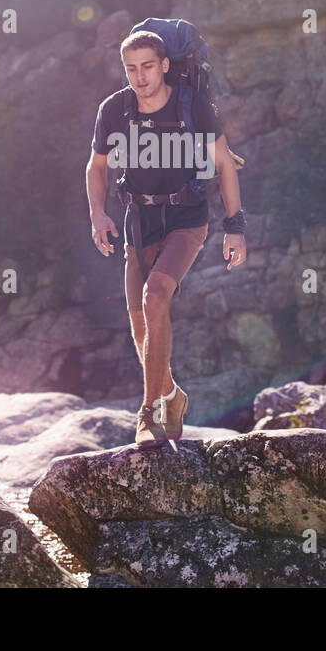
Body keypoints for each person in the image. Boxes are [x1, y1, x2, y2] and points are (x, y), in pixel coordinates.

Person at [85, 29, 247, 449]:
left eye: (147, 67)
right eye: (131, 69)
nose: (139, 77)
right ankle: (172, 397)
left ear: (165, 66)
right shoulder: (114, 109)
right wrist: (97, 213)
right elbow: (96, 166)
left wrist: (236, 227)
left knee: (155, 296)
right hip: (139, 221)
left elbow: (225, 165)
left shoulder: (193, 106)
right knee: (140, 328)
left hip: (186, 217)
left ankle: (149, 413)